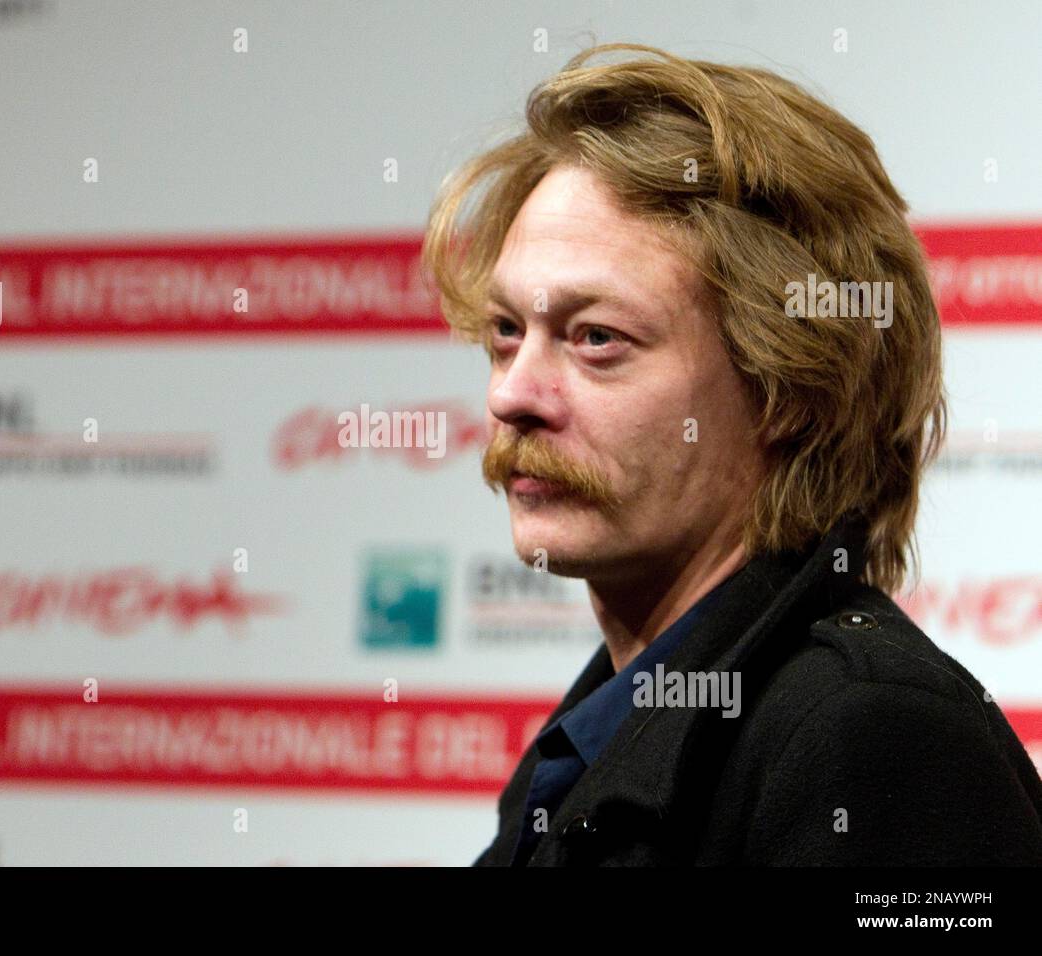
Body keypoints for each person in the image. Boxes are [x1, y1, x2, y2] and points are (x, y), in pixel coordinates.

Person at [420, 43, 1042, 866]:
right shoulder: (589, 742)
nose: (512, 395)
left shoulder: (873, 739)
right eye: (507, 332)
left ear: (789, 386)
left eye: (596, 338)